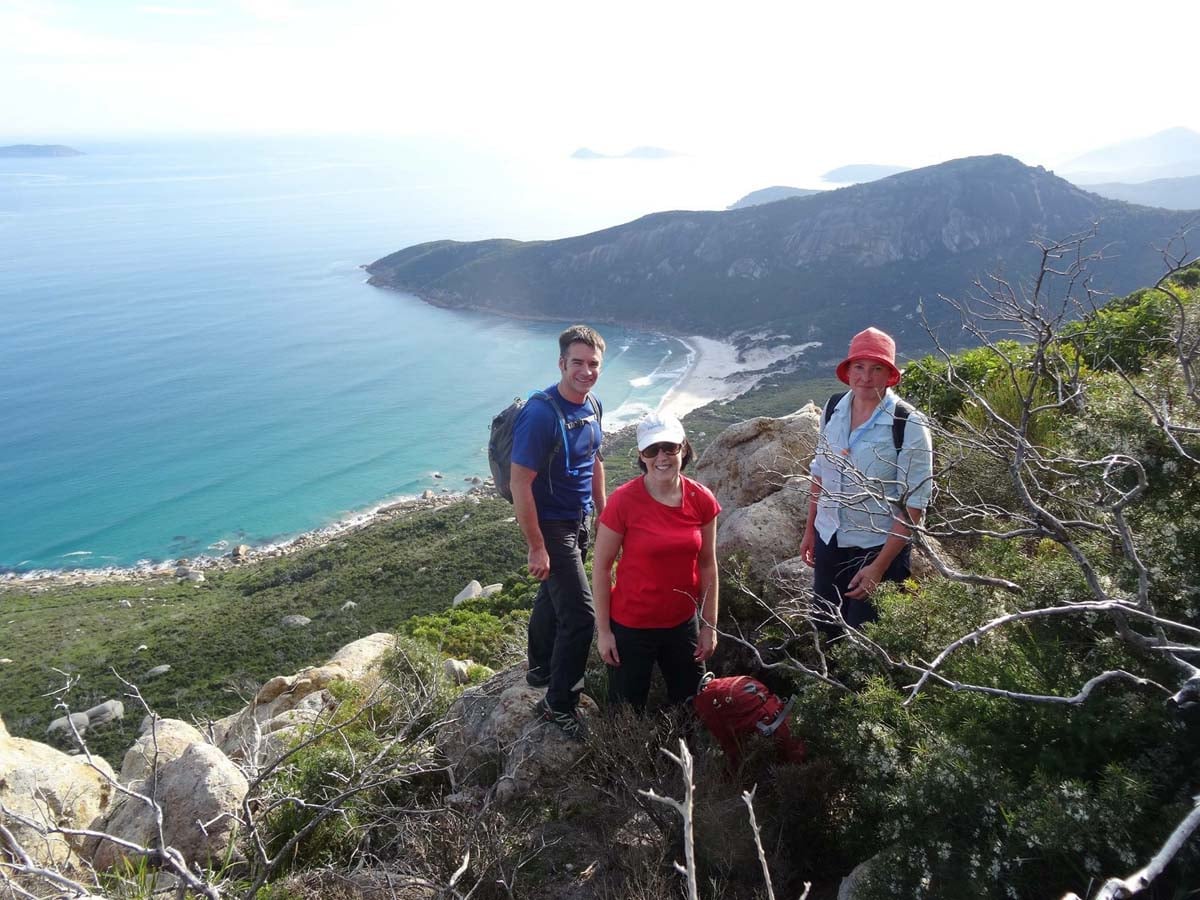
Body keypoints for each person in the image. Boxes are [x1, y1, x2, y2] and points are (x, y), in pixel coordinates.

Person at [799, 326, 933, 631]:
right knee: (827, 630)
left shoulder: (907, 423)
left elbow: (914, 504)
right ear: (848, 371)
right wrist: (810, 531)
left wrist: (878, 568)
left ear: (890, 375)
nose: (866, 377)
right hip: (830, 540)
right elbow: (820, 471)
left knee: (868, 639)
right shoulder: (834, 408)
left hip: (877, 548)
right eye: (859, 367)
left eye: (877, 369)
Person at [512, 325, 607, 738]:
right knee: (582, 616)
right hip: (551, 525)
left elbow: (595, 460)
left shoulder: (593, 405)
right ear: (562, 363)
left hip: (578, 518)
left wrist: (603, 510)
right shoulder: (540, 414)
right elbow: (520, 483)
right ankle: (558, 704)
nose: (586, 371)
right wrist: (537, 546)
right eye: (578, 363)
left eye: (593, 364)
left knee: (552, 596)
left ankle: (540, 668)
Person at [591, 410, 720, 711]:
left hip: (682, 623)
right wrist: (604, 632)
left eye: (669, 447)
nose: (661, 457)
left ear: (683, 448)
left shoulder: (701, 499)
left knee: (691, 707)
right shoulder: (623, 501)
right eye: (652, 450)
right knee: (625, 712)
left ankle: (682, 746)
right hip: (631, 626)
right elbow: (601, 568)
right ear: (641, 455)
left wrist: (709, 626)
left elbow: (708, 564)